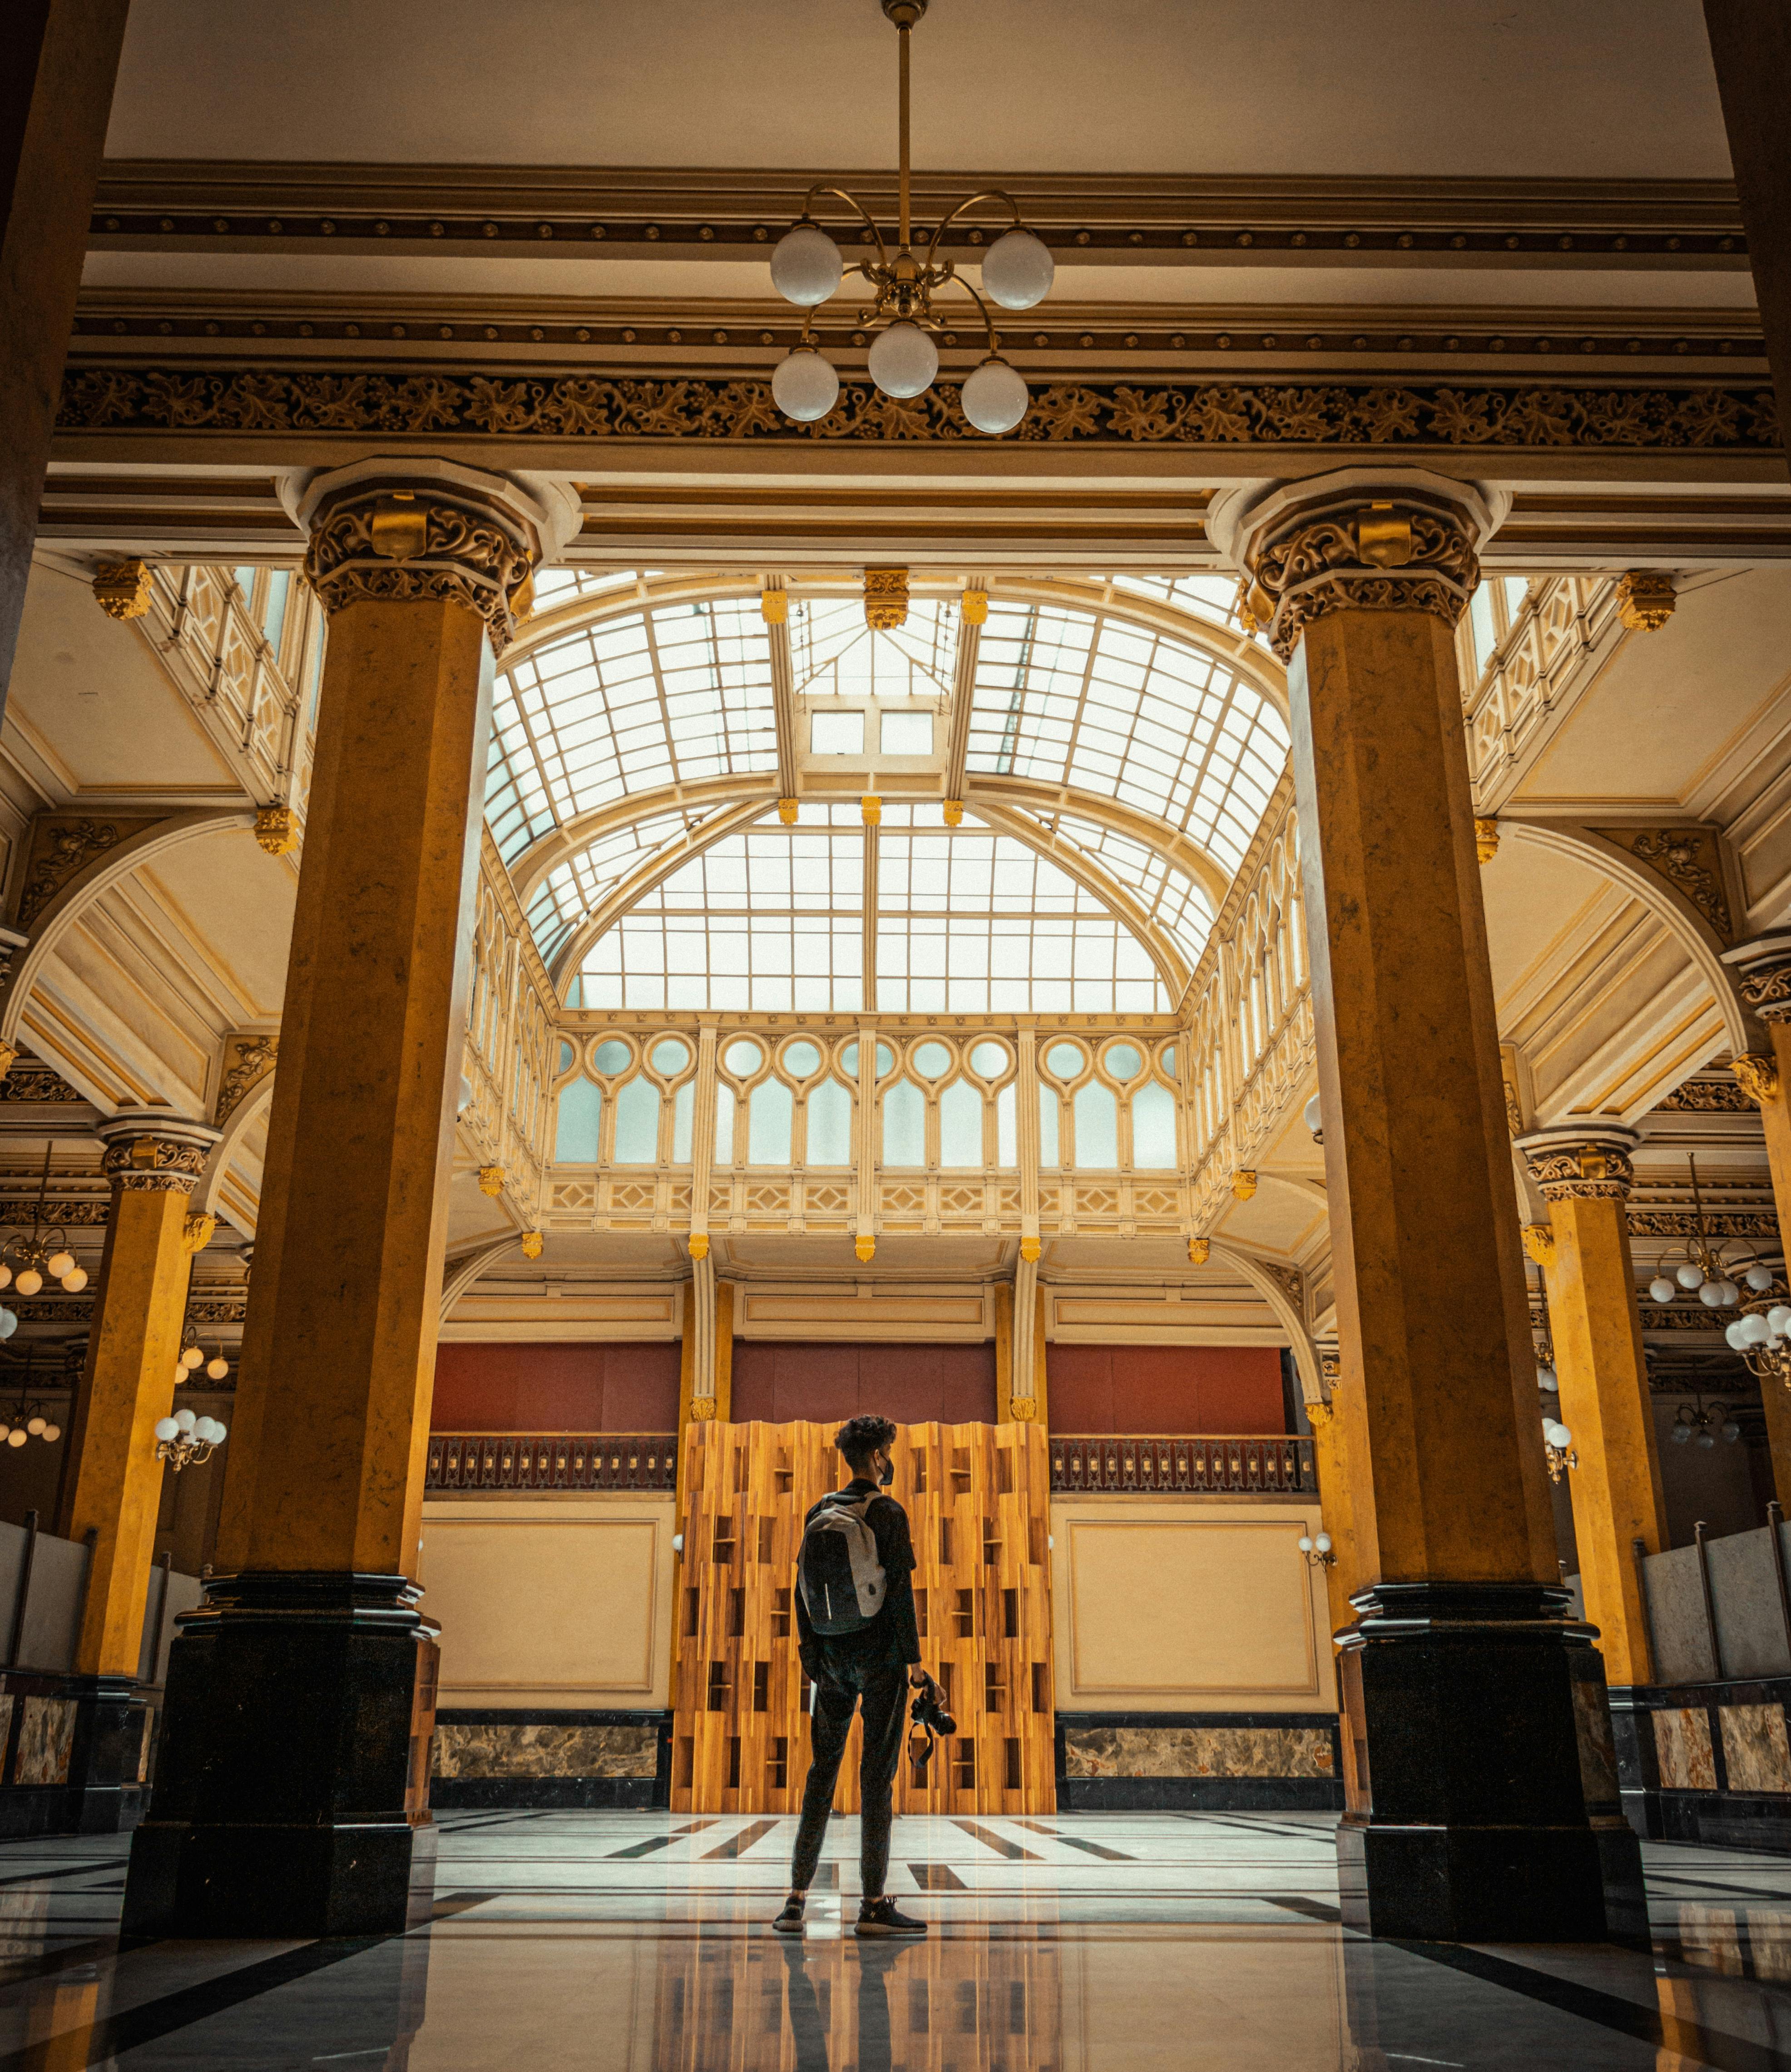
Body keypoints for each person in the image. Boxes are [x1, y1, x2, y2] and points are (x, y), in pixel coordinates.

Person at [773, 1414, 938, 1938]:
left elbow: (797, 1589)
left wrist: (811, 1658)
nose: (890, 1460)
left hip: (831, 1662)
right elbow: (899, 1594)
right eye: (888, 1451)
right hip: (881, 1662)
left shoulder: (818, 1510)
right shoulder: (887, 1511)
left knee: (821, 1773)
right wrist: (914, 1665)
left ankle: (795, 1899)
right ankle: (871, 1904)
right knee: (875, 1780)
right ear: (875, 1457)